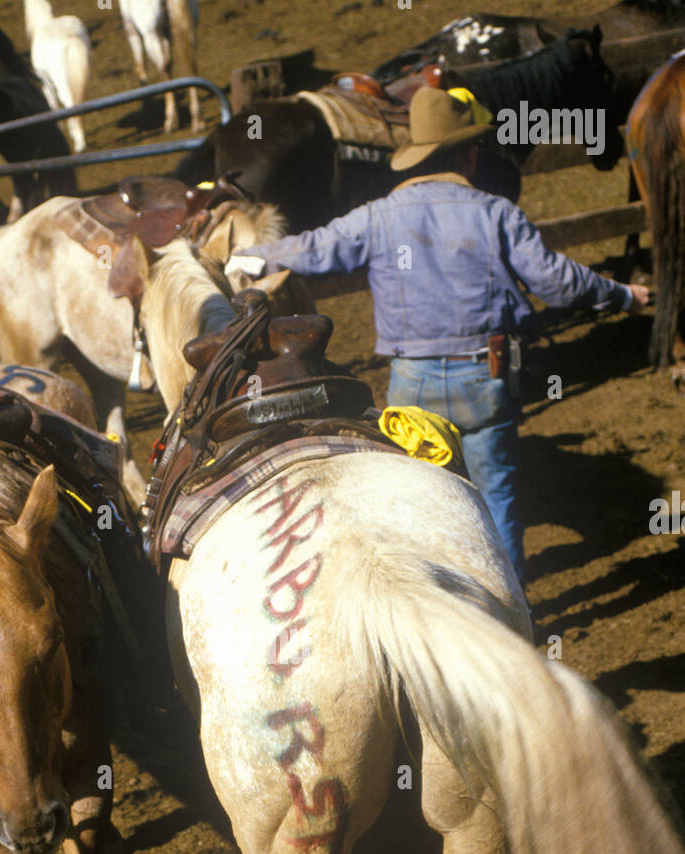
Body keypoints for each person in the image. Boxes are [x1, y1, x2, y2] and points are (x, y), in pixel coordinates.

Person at [228, 86, 650, 586]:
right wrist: (622, 294)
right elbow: (556, 282)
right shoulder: (497, 214)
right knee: (497, 499)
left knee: (416, 499)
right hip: (486, 376)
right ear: (469, 153)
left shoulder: (380, 216)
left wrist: (257, 256)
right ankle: (509, 607)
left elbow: (319, 247)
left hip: (413, 382)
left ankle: (435, 599)